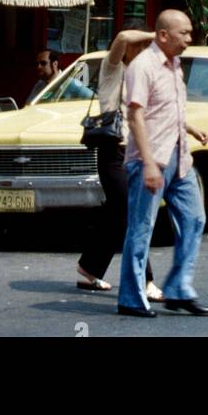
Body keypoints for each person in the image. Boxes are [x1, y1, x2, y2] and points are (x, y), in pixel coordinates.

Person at [118, 10, 208, 318]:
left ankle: (178, 289)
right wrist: (148, 165)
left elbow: (167, 111)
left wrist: (191, 128)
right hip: (151, 160)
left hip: (179, 158)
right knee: (141, 228)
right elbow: (135, 116)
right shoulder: (142, 66)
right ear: (162, 35)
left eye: (189, 33)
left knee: (194, 219)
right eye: (183, 33)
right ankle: (131, 298)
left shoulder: (174, 66)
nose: (189, 39)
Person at [75, 29, 163, 302]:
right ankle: (146, 280)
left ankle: (88, 267)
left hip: (135, 154)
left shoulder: (145, 75)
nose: (142, 51)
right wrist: (155, 32)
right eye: (139, 46)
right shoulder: (112, 69)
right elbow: (123, 36)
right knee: (133, 213)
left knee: (116, 215)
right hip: (113, 153)